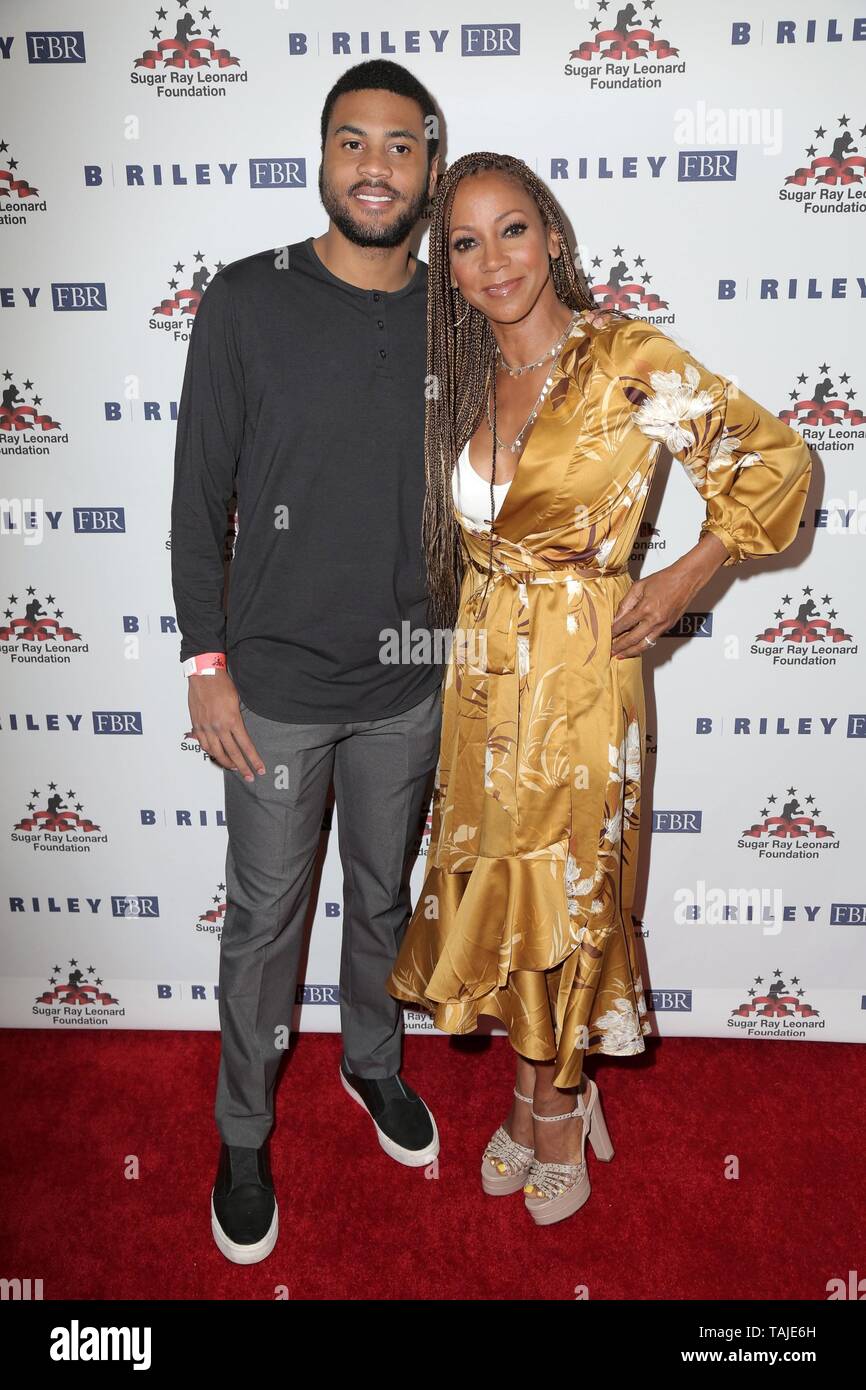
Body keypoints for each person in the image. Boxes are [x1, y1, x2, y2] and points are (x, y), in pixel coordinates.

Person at [386, 152, 813, 1227]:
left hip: (580, 668)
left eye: (512, 230)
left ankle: (562, 1105)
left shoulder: (623, 355)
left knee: (570, 890)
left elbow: (777, 463)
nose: (494, 262)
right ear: (448, 271)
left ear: (554, 237)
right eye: (468, 244)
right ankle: (529, 1087)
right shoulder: (463, 377)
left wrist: (684, 571)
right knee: (504, 881)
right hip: (484, 675)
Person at [170, 60, 444, 1265]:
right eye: (351, 142)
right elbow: (197, 497)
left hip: (408, 680)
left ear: (428, 164)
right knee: (262, 928)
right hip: (272, 688)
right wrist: (204, 658)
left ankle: (370, 1064)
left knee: (382, 900)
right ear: (321, 156)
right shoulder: (244, 301)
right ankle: (240, 1133)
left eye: (396, 145)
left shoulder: (457, 311)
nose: (373, 166)